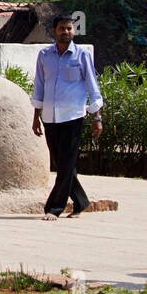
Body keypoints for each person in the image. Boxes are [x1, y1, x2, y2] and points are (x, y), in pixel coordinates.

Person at [31, 15, 103, 220]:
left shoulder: (82, 56)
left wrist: (97, 118)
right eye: (62, 28)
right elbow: (39, 86)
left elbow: (93, 87)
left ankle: (54, 208)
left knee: (67, 162)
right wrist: (36, 117)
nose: (66, 32)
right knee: (62, 163)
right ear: (54, 31)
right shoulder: (44, 55)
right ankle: (81, 202)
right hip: (50, 117)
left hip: (73, 116)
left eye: (69, 29)